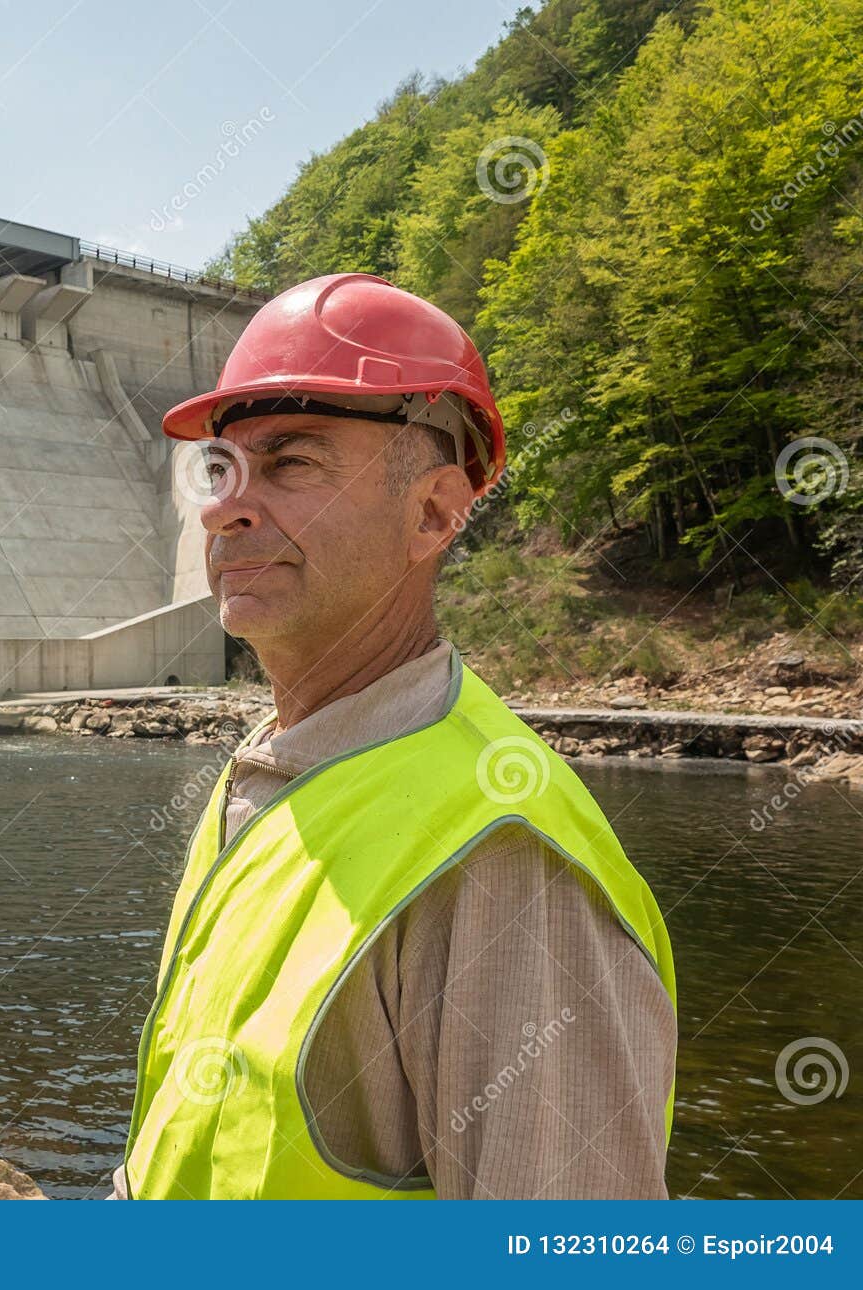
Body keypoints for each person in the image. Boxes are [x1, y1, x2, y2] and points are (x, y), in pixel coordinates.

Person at [115, 273, 677, 1200]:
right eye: (222, 468)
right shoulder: (267, 769)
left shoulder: (501, 859)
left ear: (434, 512)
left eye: (292, 463)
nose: (223, 507)